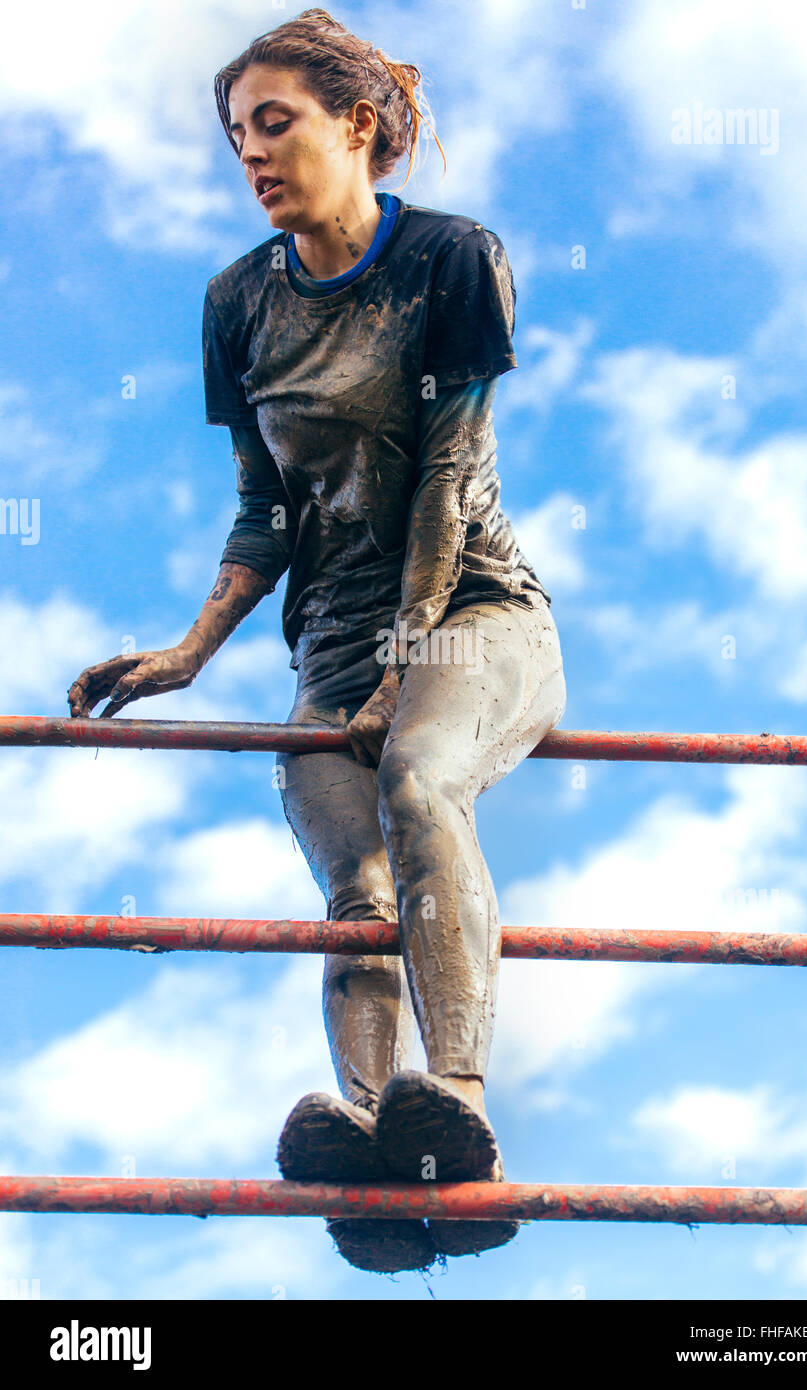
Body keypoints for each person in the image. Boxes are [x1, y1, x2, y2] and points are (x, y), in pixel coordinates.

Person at [67, 8, 566, 1274]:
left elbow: (447, 480)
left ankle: (455, 1093)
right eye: (239, 137)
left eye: (275, 124)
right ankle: (372, 1137)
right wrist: (191, 652)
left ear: (358, 125)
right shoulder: (238, 302)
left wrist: (406, 661)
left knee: (418, 779)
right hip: (332, 642)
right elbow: (265, 504)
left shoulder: (452, 260)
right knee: (355, 892)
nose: (254, 155)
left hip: (472, 613)